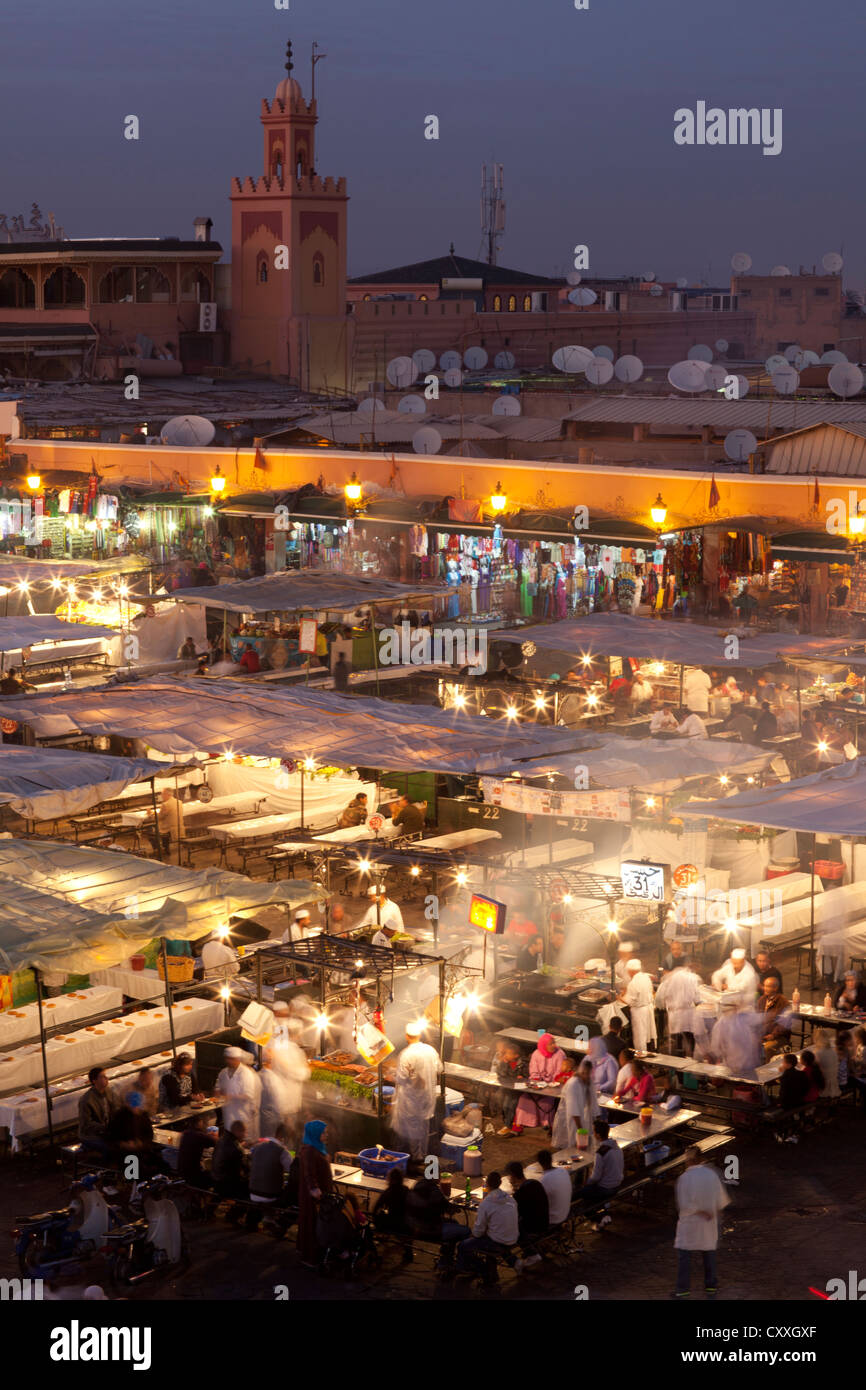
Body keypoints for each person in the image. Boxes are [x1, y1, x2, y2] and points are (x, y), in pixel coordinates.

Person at [673, 1147, 730, 1299]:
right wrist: (715, 1213)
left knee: (685, 1256)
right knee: (709, 1254)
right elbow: (721, 1201)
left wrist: (700, 1211)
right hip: (708, 1225)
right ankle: (711, 1286)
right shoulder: (712, 1175)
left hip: (689, 1225)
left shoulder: (684, 1178)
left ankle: (683, 1289)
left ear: (689, 1160)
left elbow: (684, 1205)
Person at [454, 1171, 519, 1283]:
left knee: (463, 1246)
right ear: (499, 1183)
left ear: (487, 1184)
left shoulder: (486, 1203)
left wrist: (473, 1235)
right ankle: (511, 1265)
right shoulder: (510, 1198)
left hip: (498, 1241)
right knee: (491, 1236)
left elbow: (478, 1232)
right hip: (513, 1237)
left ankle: (482, 1270)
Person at [391, 1023, 442, 1158]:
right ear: (419, 1035)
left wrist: (392, 1075)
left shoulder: (406, 1054)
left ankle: (416, 1157)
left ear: (407, 1036)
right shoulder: (430, 1050)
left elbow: (402, 1078)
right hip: (428, 1096)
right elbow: (439, 1069)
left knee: (413, 1128)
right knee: (424, 1126)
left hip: (412, 1099)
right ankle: (422, 1154)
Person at [513, 1032, 566, 1134]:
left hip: (553, 1086)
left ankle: (549, 1125)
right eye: (550, 1044)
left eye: (554, 1043)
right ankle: (519, 1126)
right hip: (538, 1084)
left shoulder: (560, 1054)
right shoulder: (536, 1053)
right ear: (543, 1045)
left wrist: (550, 1083)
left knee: (547, 1102)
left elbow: (559, 1073)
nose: (554, 1045)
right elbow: (533, 1071)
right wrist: (537, 1080)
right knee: (523, 1099)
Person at [297, 1119, 334, 1267]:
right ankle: (310, 1257)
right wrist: (314, 1189)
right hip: (312, 1198)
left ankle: (319, 1254)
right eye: (323, 1132)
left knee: (319, 1225)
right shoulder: (309, 1151)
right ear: (315, 1133)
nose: (326, 1135)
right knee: (311, 1224)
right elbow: (309, 1173)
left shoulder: (318, 1148)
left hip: (322, 1195)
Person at [576, 1119, 624, 1226]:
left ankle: (599, 1218)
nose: (593, 1134)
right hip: (617, 1183)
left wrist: (586, 1183)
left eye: (593, 1131)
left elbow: (595, 1177)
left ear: (597, 1135)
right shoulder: (617, 1147)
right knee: (588, 1194)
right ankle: (604, 1214)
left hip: (606, 1188)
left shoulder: (601, 1153)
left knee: (580, 1197)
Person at [503, 1160, 549, 1262]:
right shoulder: (535, 1183)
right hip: (545, 1221)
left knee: (510, 1226)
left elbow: (515, 1215)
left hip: (533, 1227)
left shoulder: (520, 1194)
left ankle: (531, 1254)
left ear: (512, 1176)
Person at [656, 960, 702, 1056]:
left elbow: (660, 996)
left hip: (675, 1013)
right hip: (689, 1012)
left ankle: (679, 1056)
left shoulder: (669, 978)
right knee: (690, 1035)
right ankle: (691, 1055)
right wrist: (699, 1003)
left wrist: (662, 1006)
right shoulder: (692, 978)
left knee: (677, 1037)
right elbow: (697, 997)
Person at [215, 1046, 262, 1141]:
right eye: (227, 1059)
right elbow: (217, 1087)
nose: (228, 1061)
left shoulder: (246, 1074)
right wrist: (217, 1092)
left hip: (242, 1115)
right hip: (228, 1114)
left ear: (237, 1059)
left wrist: (230, 1097)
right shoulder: (223, 1073)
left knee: (243, 1141)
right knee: (230, 1140)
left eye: (231, 1059)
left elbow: (248, 1095)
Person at [707, 997, 762, 1076]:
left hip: (747, 1060)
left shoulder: (742, 1018)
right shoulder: (721, 1024)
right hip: (733, 1062)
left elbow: (759, 1019)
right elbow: (716, 1046)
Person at [554, 1058, 600, 1149]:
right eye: (585, 1073)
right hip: (571, 1116)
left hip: (584, 1114)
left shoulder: (589, 1081)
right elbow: (573, 1109)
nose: (588, 1076)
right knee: (572, 1141)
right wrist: (580, 1128)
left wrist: (597, 1120)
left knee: (585, 1143)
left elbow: (593, 1101)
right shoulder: (573, 1084)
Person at [78, 1066, 121, 1156]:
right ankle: (107, 1163)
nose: (106, 1078)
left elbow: (117, 1108)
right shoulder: (86, 1100)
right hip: (91, 1135)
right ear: (94, 1081)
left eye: (105, 1076)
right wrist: (105, 1128)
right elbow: (87, 1123)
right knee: (109, 1146)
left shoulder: (109, 1092)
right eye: (102, 1076)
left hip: (107, 1131)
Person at [249, 1125, 294, 1210]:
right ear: (284, 1138)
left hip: (252, 1192)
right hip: (270, 1195)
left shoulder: (257, 1147)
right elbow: (291, 1171)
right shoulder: (283, 1152)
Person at [493, 1041, 529, 1135]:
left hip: (517, 1090)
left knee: (512, 1106)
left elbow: (527, 1076)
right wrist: (504, 1064)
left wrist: (522, 1077)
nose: (506, 1055)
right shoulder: (505, 1063)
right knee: (505, 1105)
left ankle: (509, 1126)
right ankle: (506, 1123)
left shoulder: (522, 1064)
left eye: (508, 1053)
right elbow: (501, 1074)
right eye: (506, 1053)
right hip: (508, 1089)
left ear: (516, 1055)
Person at [622, 958, 657, 1052]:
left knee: (639, 1036)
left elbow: (629, 1001)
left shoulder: (633, 983)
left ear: (631, 971)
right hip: (648, 1008)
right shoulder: (646, 977)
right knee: (647, 1034)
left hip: (639, 1012)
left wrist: (618, 997)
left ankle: (641, 1056)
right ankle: (649, 1051)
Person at [259, 1053, 295, 1139]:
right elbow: (279, 1101)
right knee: (272, 1142)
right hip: (272, 1119)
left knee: (263, 1141)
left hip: (262, 1118)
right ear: (270, 1063)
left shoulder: (258, 1075)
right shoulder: (273, 1078)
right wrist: (285, 1119)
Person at [535, 1148, 573, 1227]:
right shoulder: (563, 1171)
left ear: (539, 1163)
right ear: (551, 1159)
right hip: (565, 1212)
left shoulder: (544, 1180)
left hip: (553, 1219)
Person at [211, 1121, 249, 1199]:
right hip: (226, 1186)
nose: (245, 1135)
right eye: (244, 1132)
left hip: (215, 1181)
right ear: (237, 1132)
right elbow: (245, 1168)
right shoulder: (235, 1148)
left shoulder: (221, 1139)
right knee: (250, 1186)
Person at [757, 976, 792, 1058]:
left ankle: (769, 1066)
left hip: (779, 1037)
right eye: (764, 986)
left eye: (768, 986)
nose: (765, 988)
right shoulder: (762, 1000)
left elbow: (784, 1024)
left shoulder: (783, 1002)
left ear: (775, 988)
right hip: (763, 1034)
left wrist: (773, 1035)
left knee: (768, 1048)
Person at [177, 1115, 215, 1189]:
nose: (203, 1123)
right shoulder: (199, 1135)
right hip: (194, 1175)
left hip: (182, 1172)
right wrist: (212, 1135)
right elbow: (216, 1142)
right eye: (202, 1122)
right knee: (216, 1176)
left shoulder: (185, 1133)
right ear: (198, 1123)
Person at [372, 1169, 411, 1236]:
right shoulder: (406, 1190)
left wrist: (374, 1218)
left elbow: (376, 1207)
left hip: (392, 1223)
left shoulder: (388, 1192)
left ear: (390, 1179)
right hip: (405, 1223)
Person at [151, 786, 185, 858]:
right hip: (179, 826)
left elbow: (159, 817)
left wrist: (150, 814)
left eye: (162, 794)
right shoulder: (179, 802)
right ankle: (165, 848)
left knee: (150, 833)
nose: (161, 796)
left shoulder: (165, 804)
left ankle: (159, 849)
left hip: (169, 828)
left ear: (167, 794)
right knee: (161, 827)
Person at [813, 1031, 841, 1100]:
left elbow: (814, 1068)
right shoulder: (833, 1051)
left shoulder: (818, 1053)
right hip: (834, 1084)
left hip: (824, 1085)